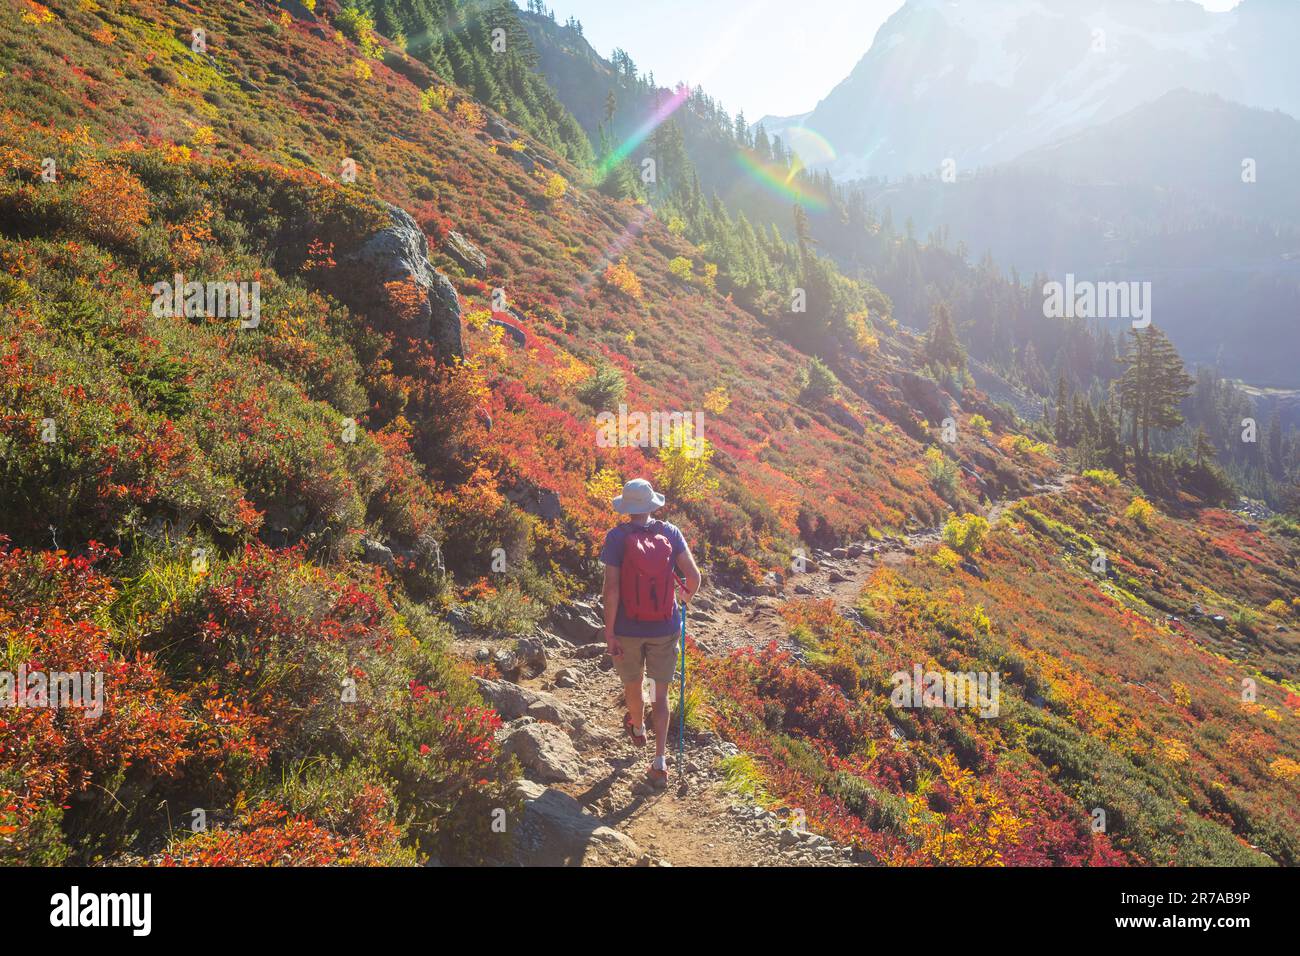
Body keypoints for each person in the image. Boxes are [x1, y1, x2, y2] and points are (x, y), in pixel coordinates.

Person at [600, 478, 702, 787]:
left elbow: (612, 589)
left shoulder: (616, 538)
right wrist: (683, 598)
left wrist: (610, 632)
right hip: (665, 627)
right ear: (652, 506)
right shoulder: (670, 532)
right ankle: (660, 762)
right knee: (661, 693)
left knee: (633, 684)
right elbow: (693, 577)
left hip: (627, 628)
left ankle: (638, 729)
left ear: (627, 508)